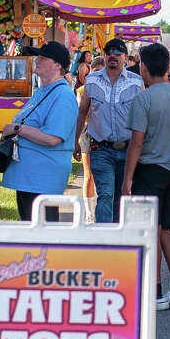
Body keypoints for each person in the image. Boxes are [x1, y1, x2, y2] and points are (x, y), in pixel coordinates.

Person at [122, 43, 170, 311]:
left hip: (151, 169)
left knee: (150, 232)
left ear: (143, 66)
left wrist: (127, 180)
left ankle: (154, 291)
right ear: (168, 66)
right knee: (167, 229)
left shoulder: (144, 99)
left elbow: (136, 142)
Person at [1, 41, 78, 220]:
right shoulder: (43, 90)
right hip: (29, 177)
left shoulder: (64, 96)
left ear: (57, 65)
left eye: (43, 58)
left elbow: (53, 138)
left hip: (43, 178)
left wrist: (17, 129)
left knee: (42, 234)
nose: (37, 60)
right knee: (30, 231)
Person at [77, 38, 144, 223]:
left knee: (121, 198)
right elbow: (82, 113)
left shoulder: (136, 82)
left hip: (128, 150)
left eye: (118, 52)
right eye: (109, 52)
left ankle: (117, 240)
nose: (112, 55)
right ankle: (104, 240)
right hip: (100, 149)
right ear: (104, 56)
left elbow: (143, 118)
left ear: (125, 57)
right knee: (106, 194)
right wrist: (76, 142)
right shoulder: (91, 81)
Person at [76, 56, 105, 222]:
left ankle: (103, 211)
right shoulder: (82, 91)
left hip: (107, 135)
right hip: (88, 132)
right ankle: (89, 213)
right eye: (96, 72)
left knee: (107, 175)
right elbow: (81, 115)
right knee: (89, 175)